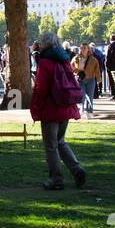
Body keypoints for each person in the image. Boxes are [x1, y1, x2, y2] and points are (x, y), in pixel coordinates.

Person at [29, 31, 87, 191]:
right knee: (60, 141)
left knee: (51, 145)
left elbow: (41, 88)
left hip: (50, 107)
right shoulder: (65, 60)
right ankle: (76, 169)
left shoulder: (45, 62)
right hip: (66, 106)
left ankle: (56, 178)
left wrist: (36, 104)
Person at [75, 42, 101, 116]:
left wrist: (99, 79)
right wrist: (76, 71)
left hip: (91, 79)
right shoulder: (76, 58)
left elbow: (97, 70)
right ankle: (81, 110)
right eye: (81, 48)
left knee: (90, 96)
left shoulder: (93, 60)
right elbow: (71, 67)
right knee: (81, 96)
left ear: (88, 50)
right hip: (81, 80)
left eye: (84, 48)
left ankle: (89, 112)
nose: (82, 49)